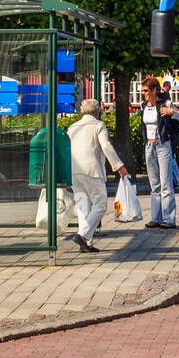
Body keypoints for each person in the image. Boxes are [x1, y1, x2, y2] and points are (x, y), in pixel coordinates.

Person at [67, 98, 129, 253]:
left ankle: (86, 243)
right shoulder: (98, 125)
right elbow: (106, 146)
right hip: (91, 170)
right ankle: (82, 235)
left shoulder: (72, 127)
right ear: (97, 111)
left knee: (83, 208)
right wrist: (118, 165)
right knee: (100, 205)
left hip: (74, 171)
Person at [141, 76, 179, 228]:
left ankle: (169, 219)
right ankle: (156, 218)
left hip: (163, 144)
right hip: (149, 146)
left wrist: (172, 112)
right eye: (143, 90)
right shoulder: (143, 105)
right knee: (154, 184)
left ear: (154, 90)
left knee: (165, 183)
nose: (143, 93)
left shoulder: (166, 103)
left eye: (146, 90)